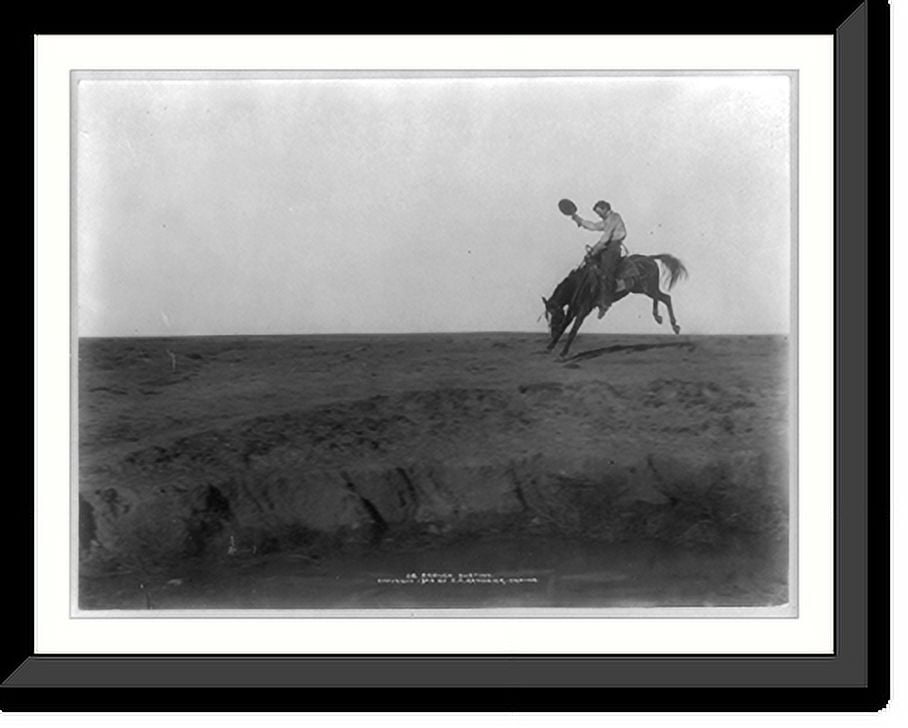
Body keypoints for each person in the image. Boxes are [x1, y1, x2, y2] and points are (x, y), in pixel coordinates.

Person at [570, 200, 627, 318]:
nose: (598, 215)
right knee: (590, 265)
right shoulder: (607, 220)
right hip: (607, 246)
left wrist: (595, 249)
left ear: (605, 208)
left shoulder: (614, 218)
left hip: (613, 248)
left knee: (606, 272)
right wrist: (578, 219)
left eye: (599, 212)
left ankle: (606, 303)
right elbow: (594, 226)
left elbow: (605, 238)